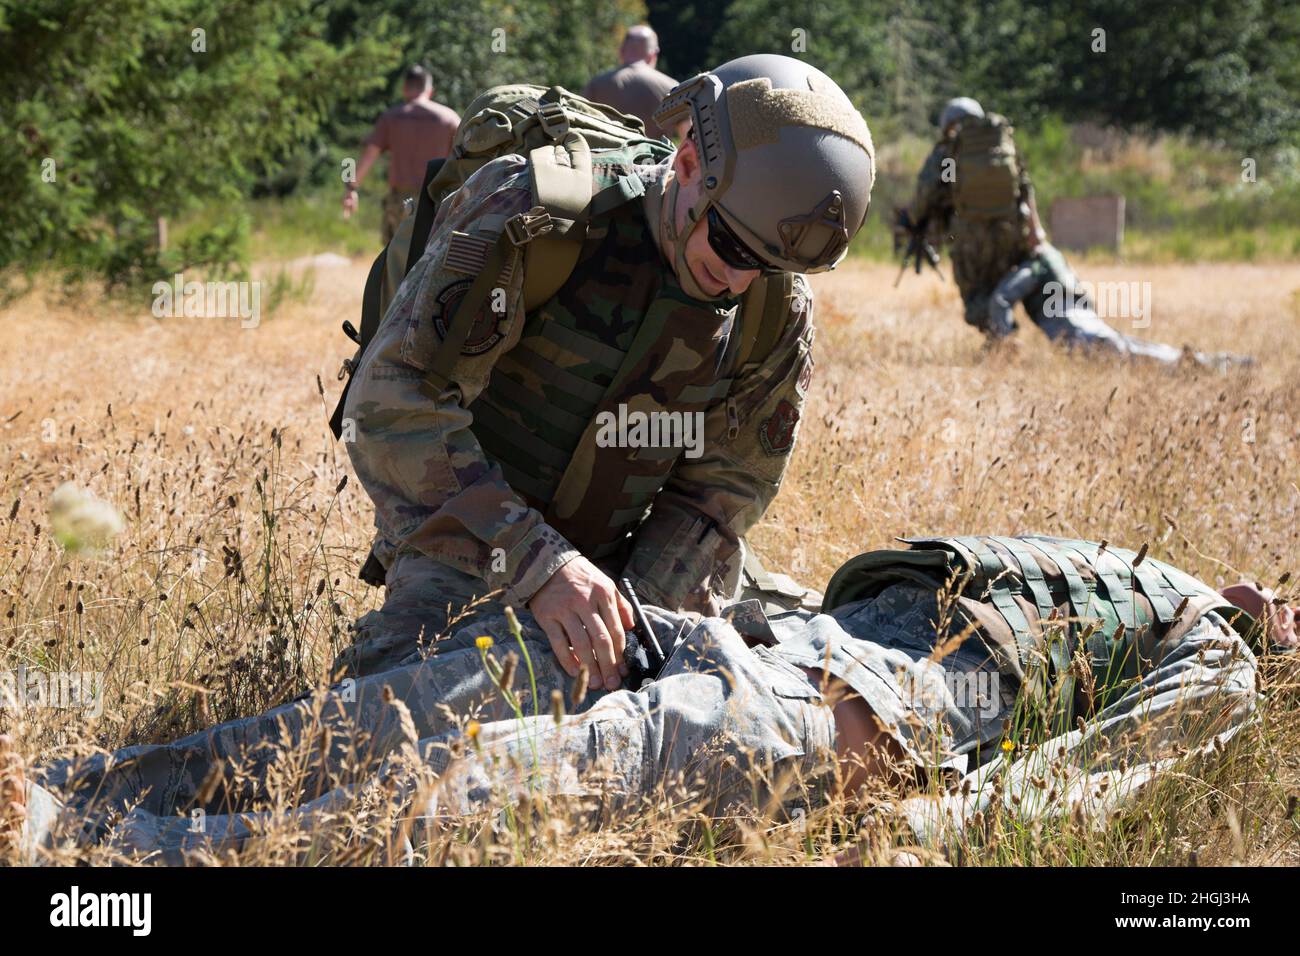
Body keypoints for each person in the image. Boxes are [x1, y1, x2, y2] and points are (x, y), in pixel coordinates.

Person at [3, 534, 1292, 864]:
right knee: (405, 703)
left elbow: (1100, 772)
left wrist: (925, 831)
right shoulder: (1129, 566)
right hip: (745, 640)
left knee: (478, 791)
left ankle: (112, 858)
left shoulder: (1212, 649)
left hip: (820, 726)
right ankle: (72, 783)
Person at [336, 54, 876, 691]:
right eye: (730, 246)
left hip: (628, 558)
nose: (739, 279)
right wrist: (542, 566)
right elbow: (391, 406)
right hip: (474, 541)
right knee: (404, 701)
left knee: (762, 677)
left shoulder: (774, 304)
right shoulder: (535, 218)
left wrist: (636, 622)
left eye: (766, 264)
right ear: (688, 164)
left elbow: (723, 490)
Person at [905, 98, 1247, 368]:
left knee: (987, 302)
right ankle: (1002, 345)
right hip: (1015, 240)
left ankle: (1001, 345)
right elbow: (1025, 188)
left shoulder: (948, 152)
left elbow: (924, 198)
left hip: (975, 246)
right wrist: (1034, 234)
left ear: (948, 123)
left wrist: (918, 222)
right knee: (1088, 334)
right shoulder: (1000, 143)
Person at [343, 65, 460, 245]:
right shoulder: (449, 118)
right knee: (430, 261)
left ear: (404, 88)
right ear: (430, 90)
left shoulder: (392, 118)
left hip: (400, 203)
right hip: (437, 201)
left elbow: (369, 155)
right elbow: (463, 160)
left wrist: (351, 189)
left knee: (395, 263)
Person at [582, 25, 683, 140]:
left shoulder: (596, 85)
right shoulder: (672, 87)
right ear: (653, 54)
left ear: (621, 51)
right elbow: (687, 135)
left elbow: (578, 126)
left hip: (604, 157)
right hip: (658, 157)